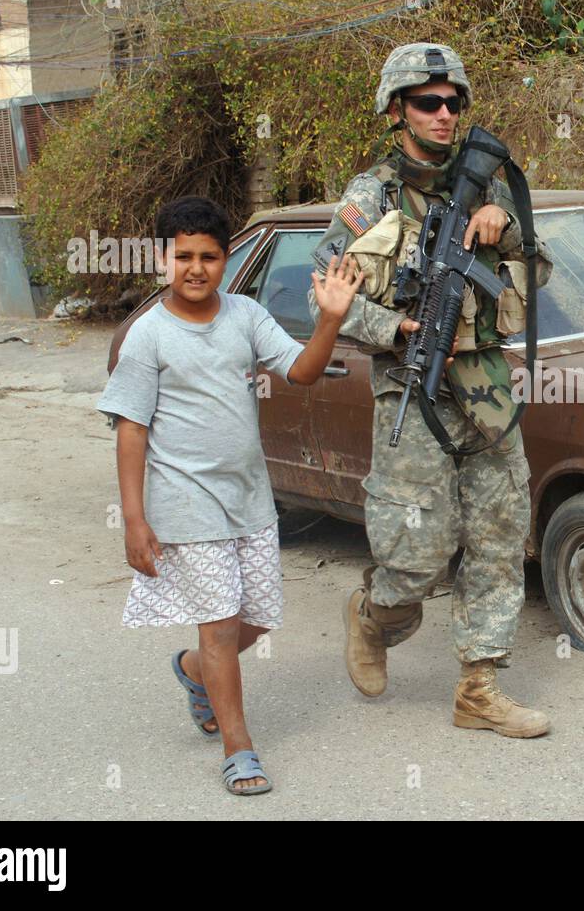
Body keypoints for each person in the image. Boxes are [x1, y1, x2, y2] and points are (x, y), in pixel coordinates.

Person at [309, 42, 551, 738]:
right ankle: (374, 616)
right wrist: (393, 325)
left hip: (487, 390)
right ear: (396, 110)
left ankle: (479, 688)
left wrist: (507, 234)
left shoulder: (494, 186)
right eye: (427, 103)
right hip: (413, 389)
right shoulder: (371, 195)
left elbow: (542, 271)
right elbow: (323, 294)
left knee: (502, 535)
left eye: (453, 104)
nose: (444, 115)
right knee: (415, 551)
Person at [97, 196, 364, 794]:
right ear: (163, 259)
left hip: (248, 499)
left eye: (210, 256)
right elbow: (131, 429)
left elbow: (301, 372)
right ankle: (239, 747)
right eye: (182, 255)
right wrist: (134, 520)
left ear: (225, 260)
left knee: (260, 617)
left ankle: (194, 671)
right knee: (218, 627)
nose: (196, 268)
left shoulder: (245, 316)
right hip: (184, 505)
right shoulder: (148, 336)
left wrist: (329, 320)